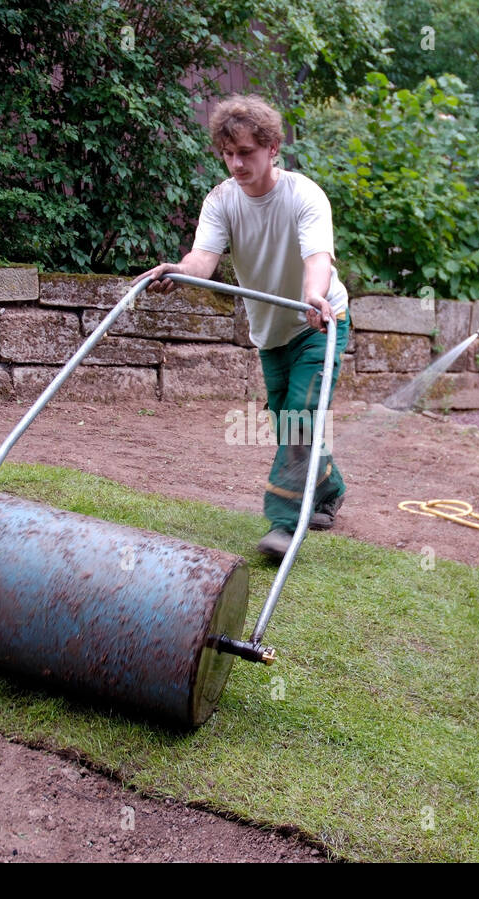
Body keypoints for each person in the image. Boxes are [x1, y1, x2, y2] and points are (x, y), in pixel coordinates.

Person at [138, 95, 351, 560]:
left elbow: (318, 257)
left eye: (247, 153)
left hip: (319, 322)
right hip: (271, 334)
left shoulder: (304, 195)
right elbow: (204, 259)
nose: (237, 163)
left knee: (300, 416)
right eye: (228, 154)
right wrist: (179, 271)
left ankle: (282, 524)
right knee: (290, 423)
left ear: (273, 147)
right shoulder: (221, 201)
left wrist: (314, 297)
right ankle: (329, 488)